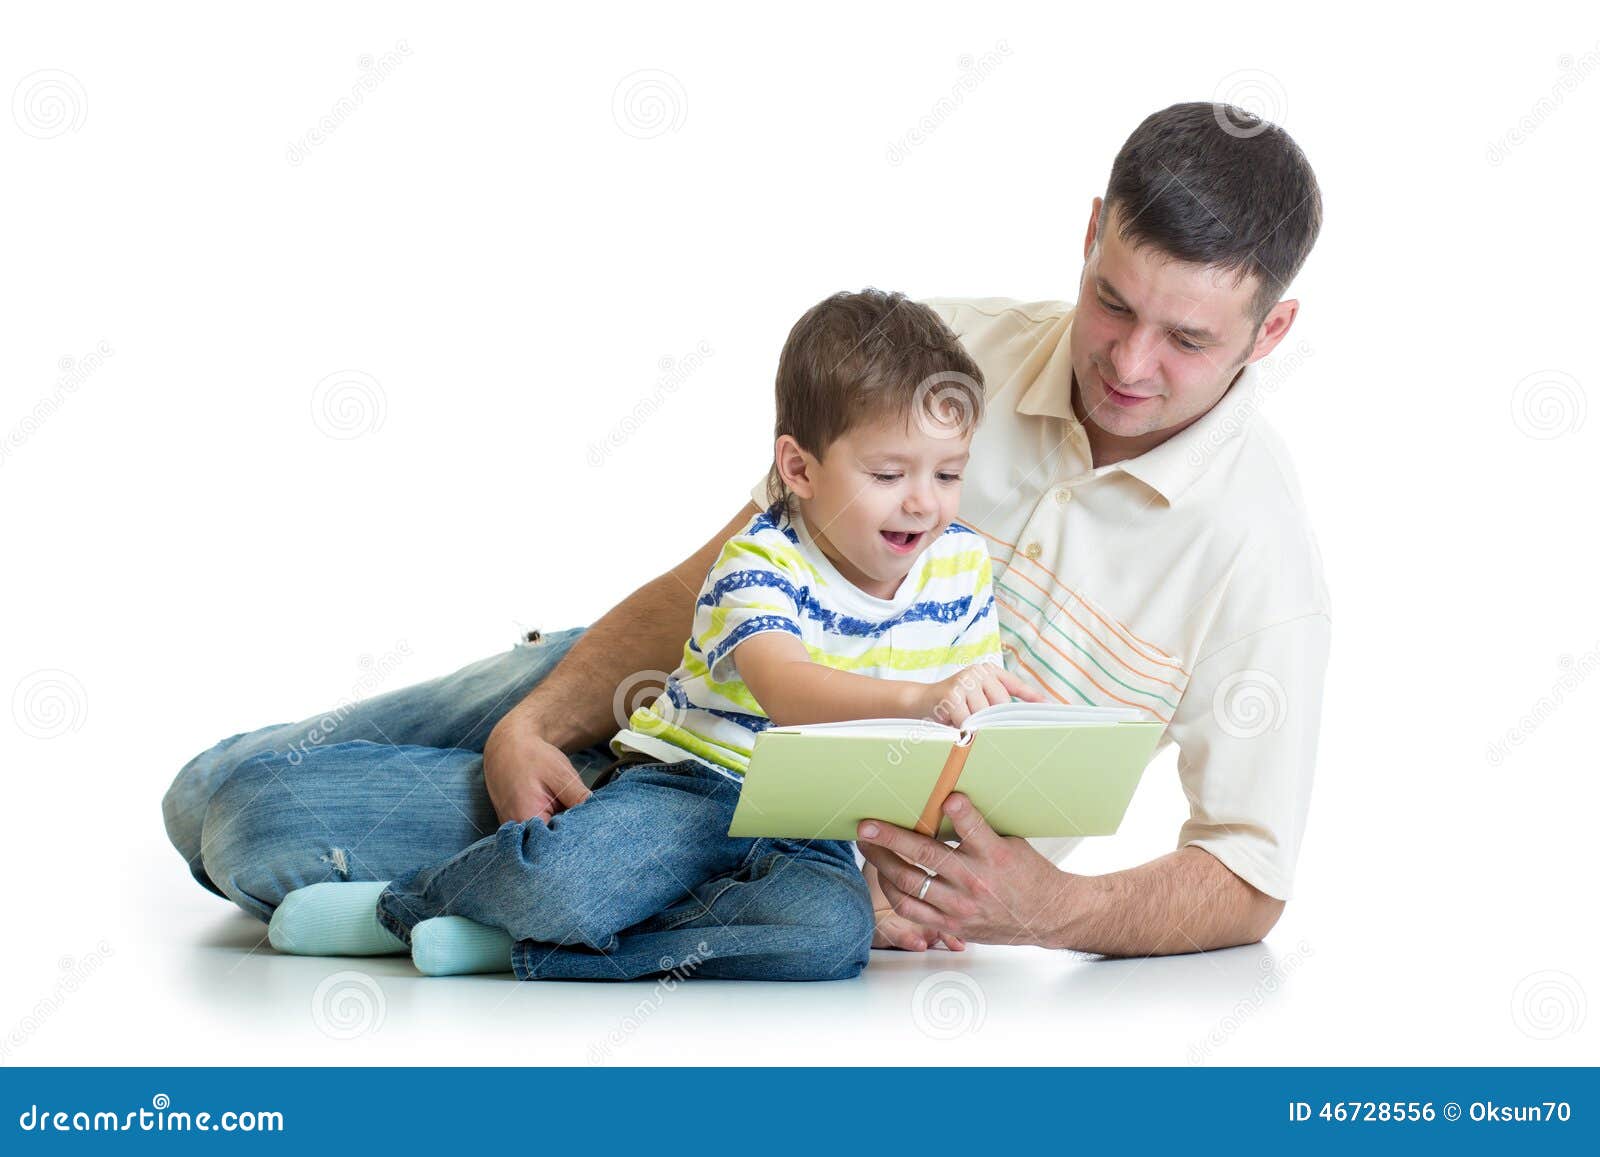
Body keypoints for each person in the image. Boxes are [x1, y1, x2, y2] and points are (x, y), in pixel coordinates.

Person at [165, 99, 1327, 962]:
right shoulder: (949, 354)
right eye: (1112, 302)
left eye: (1185, 338)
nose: (1127, 362)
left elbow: (1249, 875)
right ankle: (498, 834)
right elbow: (732, 567)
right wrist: (536, 720)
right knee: (200, 797)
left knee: (253, 826)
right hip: (672, 693)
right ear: (1087, 233)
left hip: (774, 843)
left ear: (1268, 331)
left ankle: (471, 908)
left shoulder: (1258, 559)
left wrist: (1045, 908)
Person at [210, 290, 1040, 981]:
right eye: (890, 475)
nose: (924, 502)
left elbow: (963, 731)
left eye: (948, 473)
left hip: (814, 823)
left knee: (830, 937)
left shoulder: (960, 568)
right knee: (568, 878)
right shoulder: (763, 559)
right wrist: (923, 697)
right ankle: (408, 906)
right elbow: (788, 687)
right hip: (696, 787)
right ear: (799, 469)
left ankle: (515, 944)